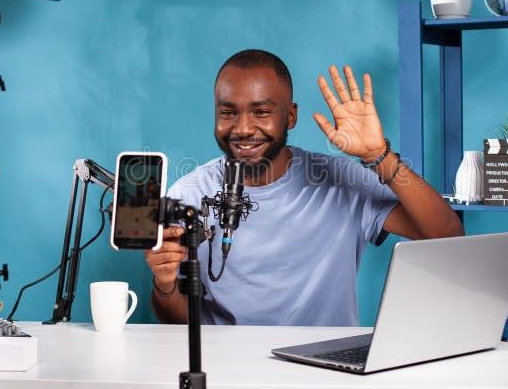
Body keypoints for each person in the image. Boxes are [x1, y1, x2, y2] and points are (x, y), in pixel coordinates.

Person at [144, 49, 463, 326]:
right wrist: (164, 284)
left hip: (325, 369)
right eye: (228, 113)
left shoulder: (342, 179)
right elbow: (175, 320)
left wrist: (378, 156)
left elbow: (447, 236)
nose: (241, 128)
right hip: (226, 367)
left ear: (290, 116)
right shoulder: (188, 192)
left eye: (261, 112)